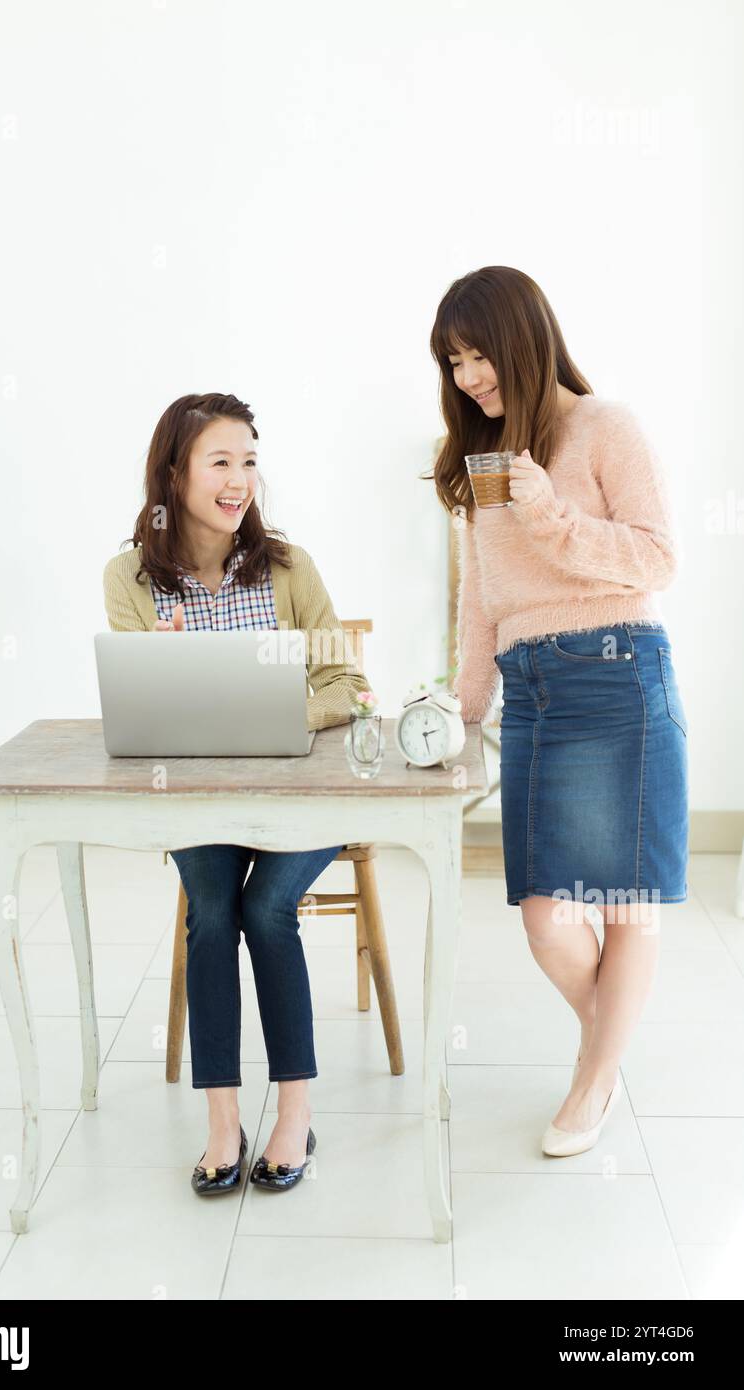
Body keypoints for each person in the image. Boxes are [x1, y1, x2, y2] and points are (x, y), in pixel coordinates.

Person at [428, 266, 688, 1157]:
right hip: (532, 691)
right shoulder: (487, 459)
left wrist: (551, 514)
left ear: (526, 337)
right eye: (453, 362)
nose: (468, 378)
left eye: (478, 354)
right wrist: (464, 707)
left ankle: (592, 1080)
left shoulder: (605, 427)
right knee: (546, 917)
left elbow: (657, 561)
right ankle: (607, 1045)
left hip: (617, 677)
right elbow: (482, 592)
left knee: (626, 904)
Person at [103, 392, 368, 1193]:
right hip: (201, 797)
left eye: (249, 460)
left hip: (306, 793)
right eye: (220, 461)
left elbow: (349, 683)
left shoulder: (289, 568)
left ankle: (295, 1112)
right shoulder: (131, 578)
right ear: (174, 472)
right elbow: (139, 713)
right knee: (212, 914)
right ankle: (223, 1118)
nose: (239, 479)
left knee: (265, 909)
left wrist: (280, 712)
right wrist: (165, 674)